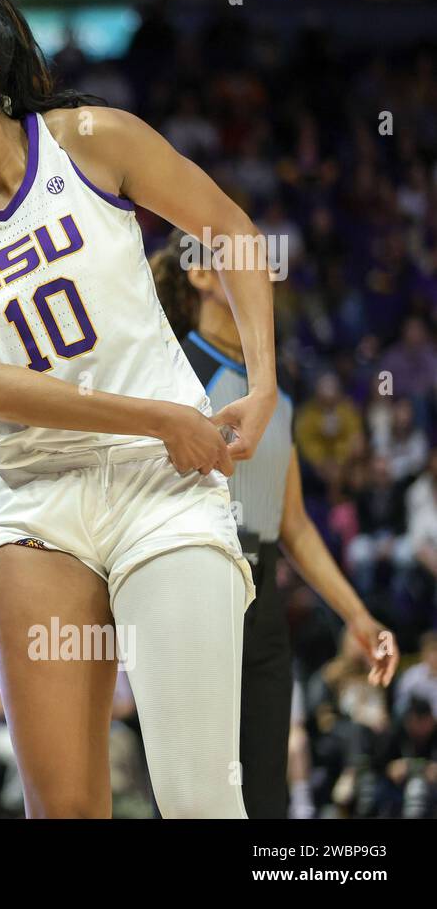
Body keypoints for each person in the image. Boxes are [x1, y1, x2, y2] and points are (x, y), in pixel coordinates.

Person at [0, 0, 275, 817]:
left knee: (200, 798)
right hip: (38, 502)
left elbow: (232, 230)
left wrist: (264, 385)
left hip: (163, 489)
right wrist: (161, 415)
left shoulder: (93, 140)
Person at [151, 227, 396, 818]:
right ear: (203, 277)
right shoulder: (172, 366)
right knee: (196, 796)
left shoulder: (275, 396)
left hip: (260, 605)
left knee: (265, 796)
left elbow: (295, 527)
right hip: (191, 582)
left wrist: (358, 615)